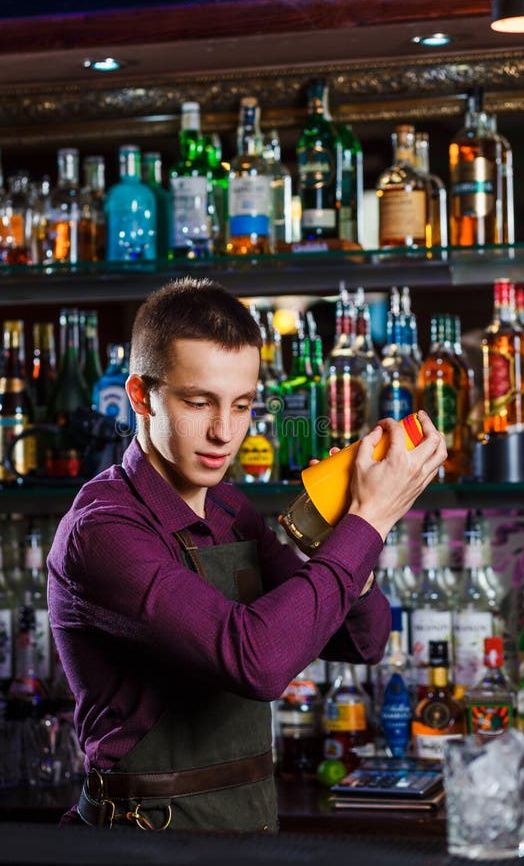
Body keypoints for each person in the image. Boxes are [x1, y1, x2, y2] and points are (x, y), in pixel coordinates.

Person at [47, 277, 447, 832]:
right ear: (140, 396)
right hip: (142, 838)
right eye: (198, 402)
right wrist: (371, 520)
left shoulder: (232, 511)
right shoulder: (105, 531)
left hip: (247, 827)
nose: (223, 432)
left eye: (241, 405)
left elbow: (364, 641)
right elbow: (256, 660)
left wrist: (341, 524)